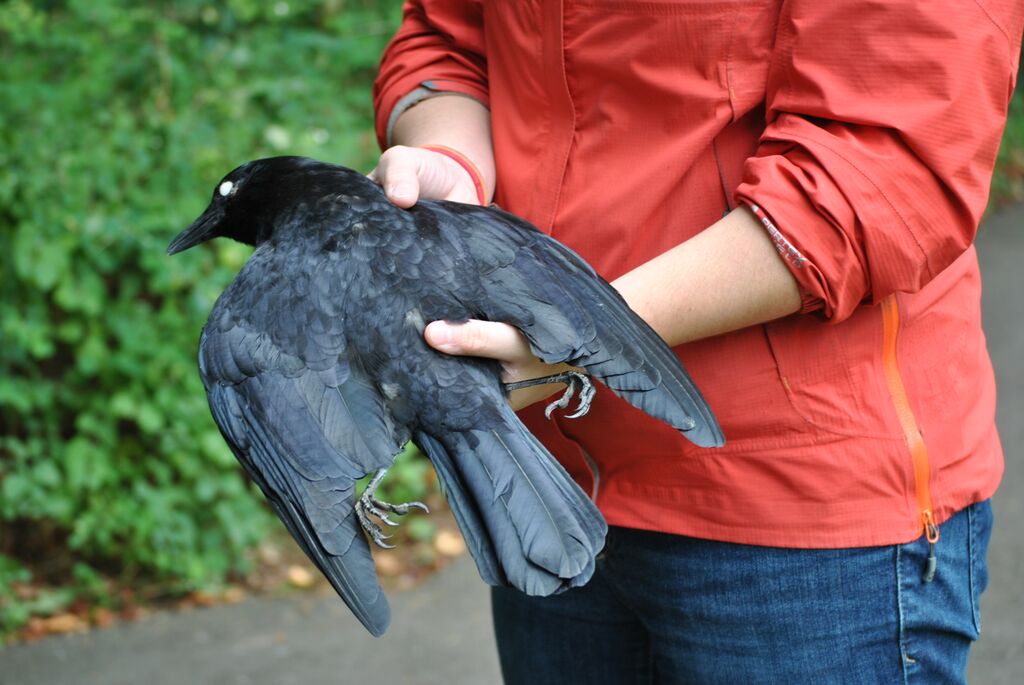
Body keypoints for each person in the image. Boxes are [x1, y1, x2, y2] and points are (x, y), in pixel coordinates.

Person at [369, 2, 1023, 682]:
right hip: (547, 476)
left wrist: (580, 331)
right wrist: (455, 167)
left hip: (796, 526)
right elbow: (450, 37)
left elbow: (882, 168)